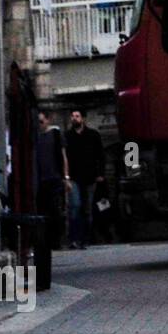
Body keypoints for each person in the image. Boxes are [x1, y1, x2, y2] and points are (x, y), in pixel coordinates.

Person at [34, 111, 69, 286]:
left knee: (56, 211)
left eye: (41, 121)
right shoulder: (34, 137)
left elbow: (63, 156)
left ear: (47, 120)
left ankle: (57, 239)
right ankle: (47, 241)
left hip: (54, 179)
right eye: (37, 122)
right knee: (42, 215)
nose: (39, 124)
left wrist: (66, 177)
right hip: (40, 181)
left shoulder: (55, 134)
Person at [64, 109, 104, 249]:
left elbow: (100, 155)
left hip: (90, 177)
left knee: (87, 209)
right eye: (72, 116)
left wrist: (100, 174)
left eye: (77, 116)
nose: (74, 118)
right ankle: (74, 239)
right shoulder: (67, 136)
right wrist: (66, 176)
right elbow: (64, 157)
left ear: (83, 119)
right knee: (75, 206)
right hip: (74, 177)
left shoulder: (93, 135)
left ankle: (85, 239)